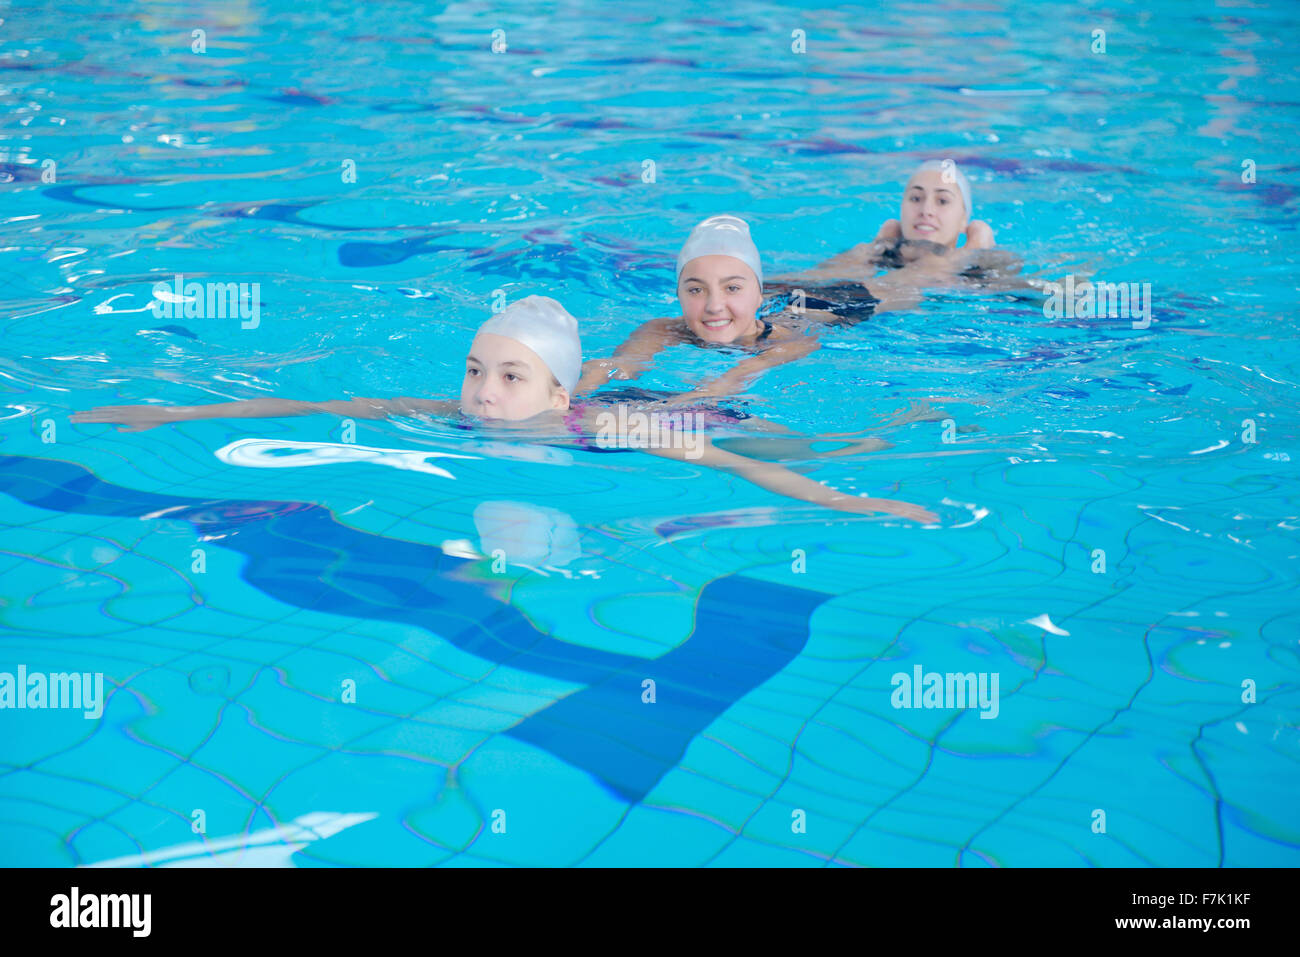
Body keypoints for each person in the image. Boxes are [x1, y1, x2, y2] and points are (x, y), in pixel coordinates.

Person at [73, 296, 937, 522]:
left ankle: (889, 421)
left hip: (681, 422)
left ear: (557, 392)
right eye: (476, 370)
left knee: (808, 442)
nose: (484, 394)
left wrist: (850, 500)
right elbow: (325, 400)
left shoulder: (596, 420)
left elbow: (732, 465)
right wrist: (171, 414)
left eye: (510, 378)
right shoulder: (453, 417)